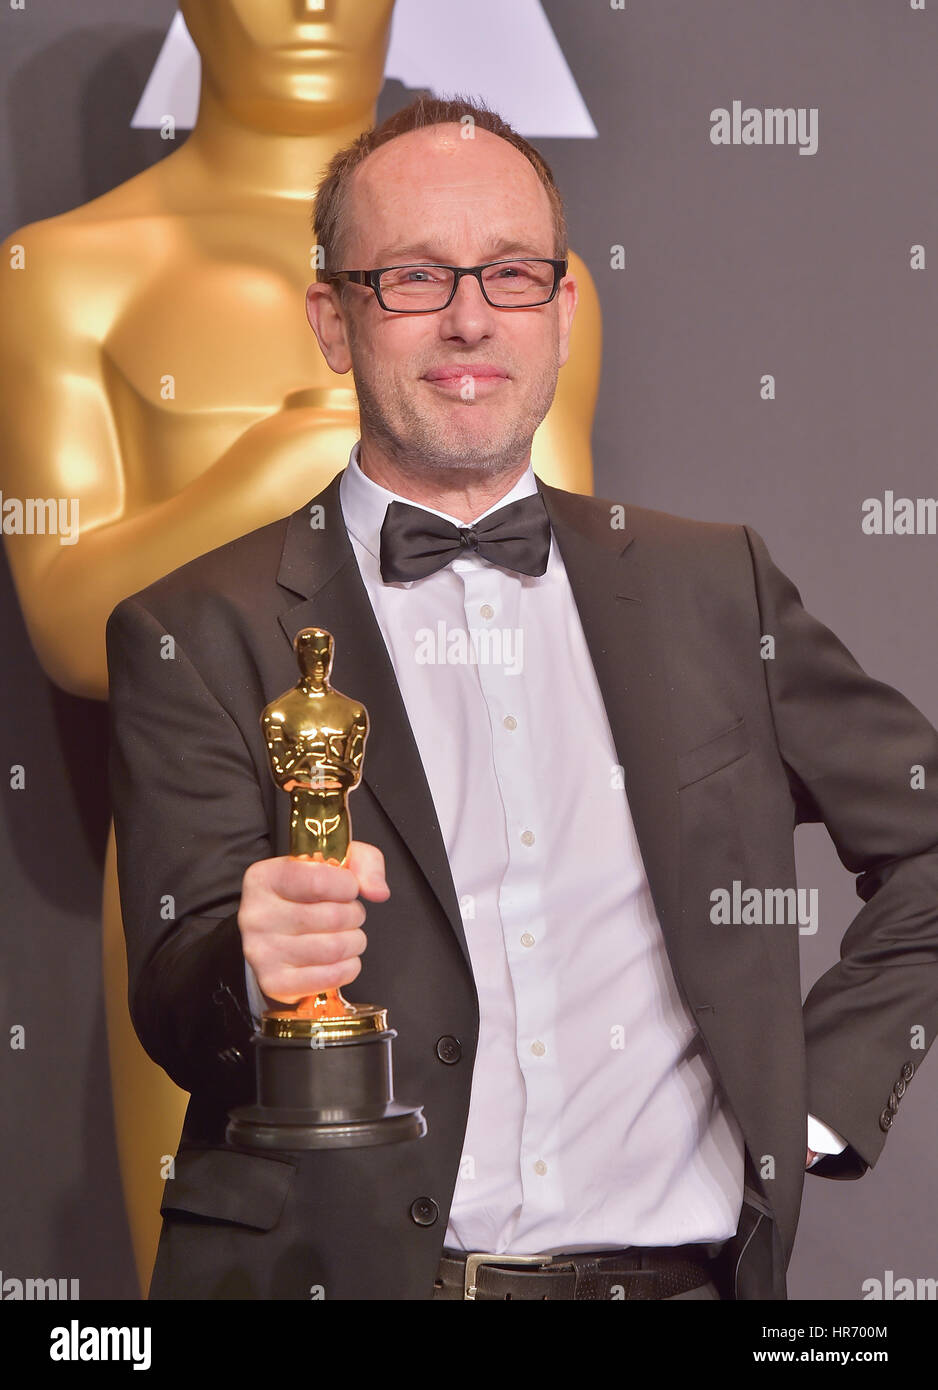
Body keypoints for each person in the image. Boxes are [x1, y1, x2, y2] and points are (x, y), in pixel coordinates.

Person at [106, 94, 938, 1301]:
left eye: (507, 273)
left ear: (560, 310)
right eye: (409, 277)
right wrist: (246, 961)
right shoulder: (191, 626)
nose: (465, 319)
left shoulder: (720, 588)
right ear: (332, 322)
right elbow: (178, 1006)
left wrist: (811, 1107)